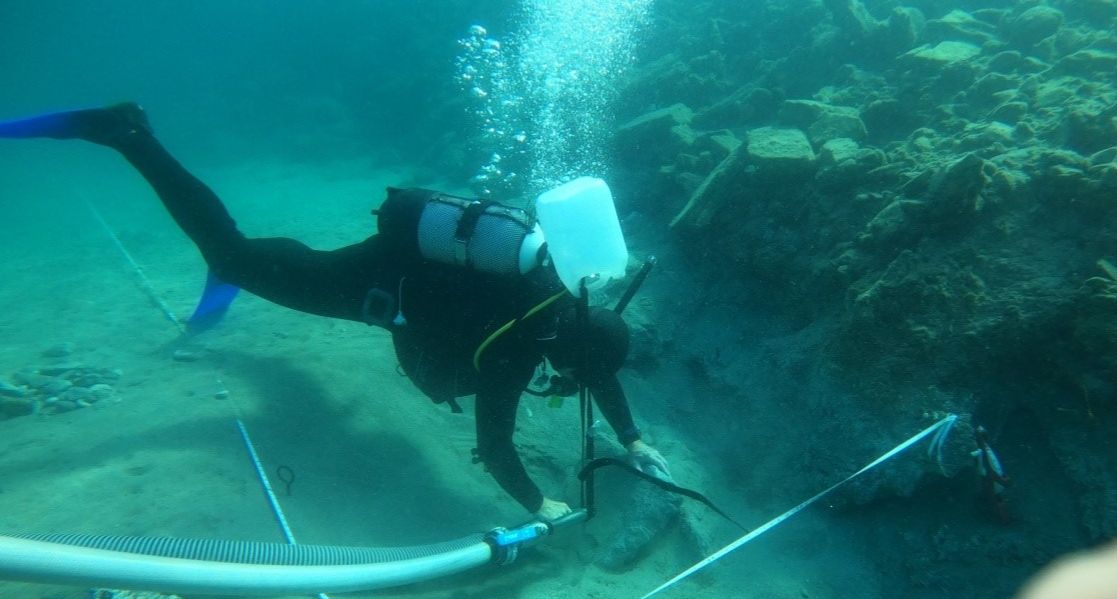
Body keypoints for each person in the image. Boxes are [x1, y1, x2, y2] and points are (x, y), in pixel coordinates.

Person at [0, 103, 670, 522]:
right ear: (569, 353)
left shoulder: (567, 296)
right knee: (236, 256)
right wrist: (541, 506)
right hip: (370, 285)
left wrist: (632, 438)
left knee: (285, 265)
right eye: (576, 376)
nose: (577, 382)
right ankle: (128, 134)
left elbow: (598, 363)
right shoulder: (514, 349)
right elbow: (493, 445)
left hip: (392, 270)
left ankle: (233, 269)